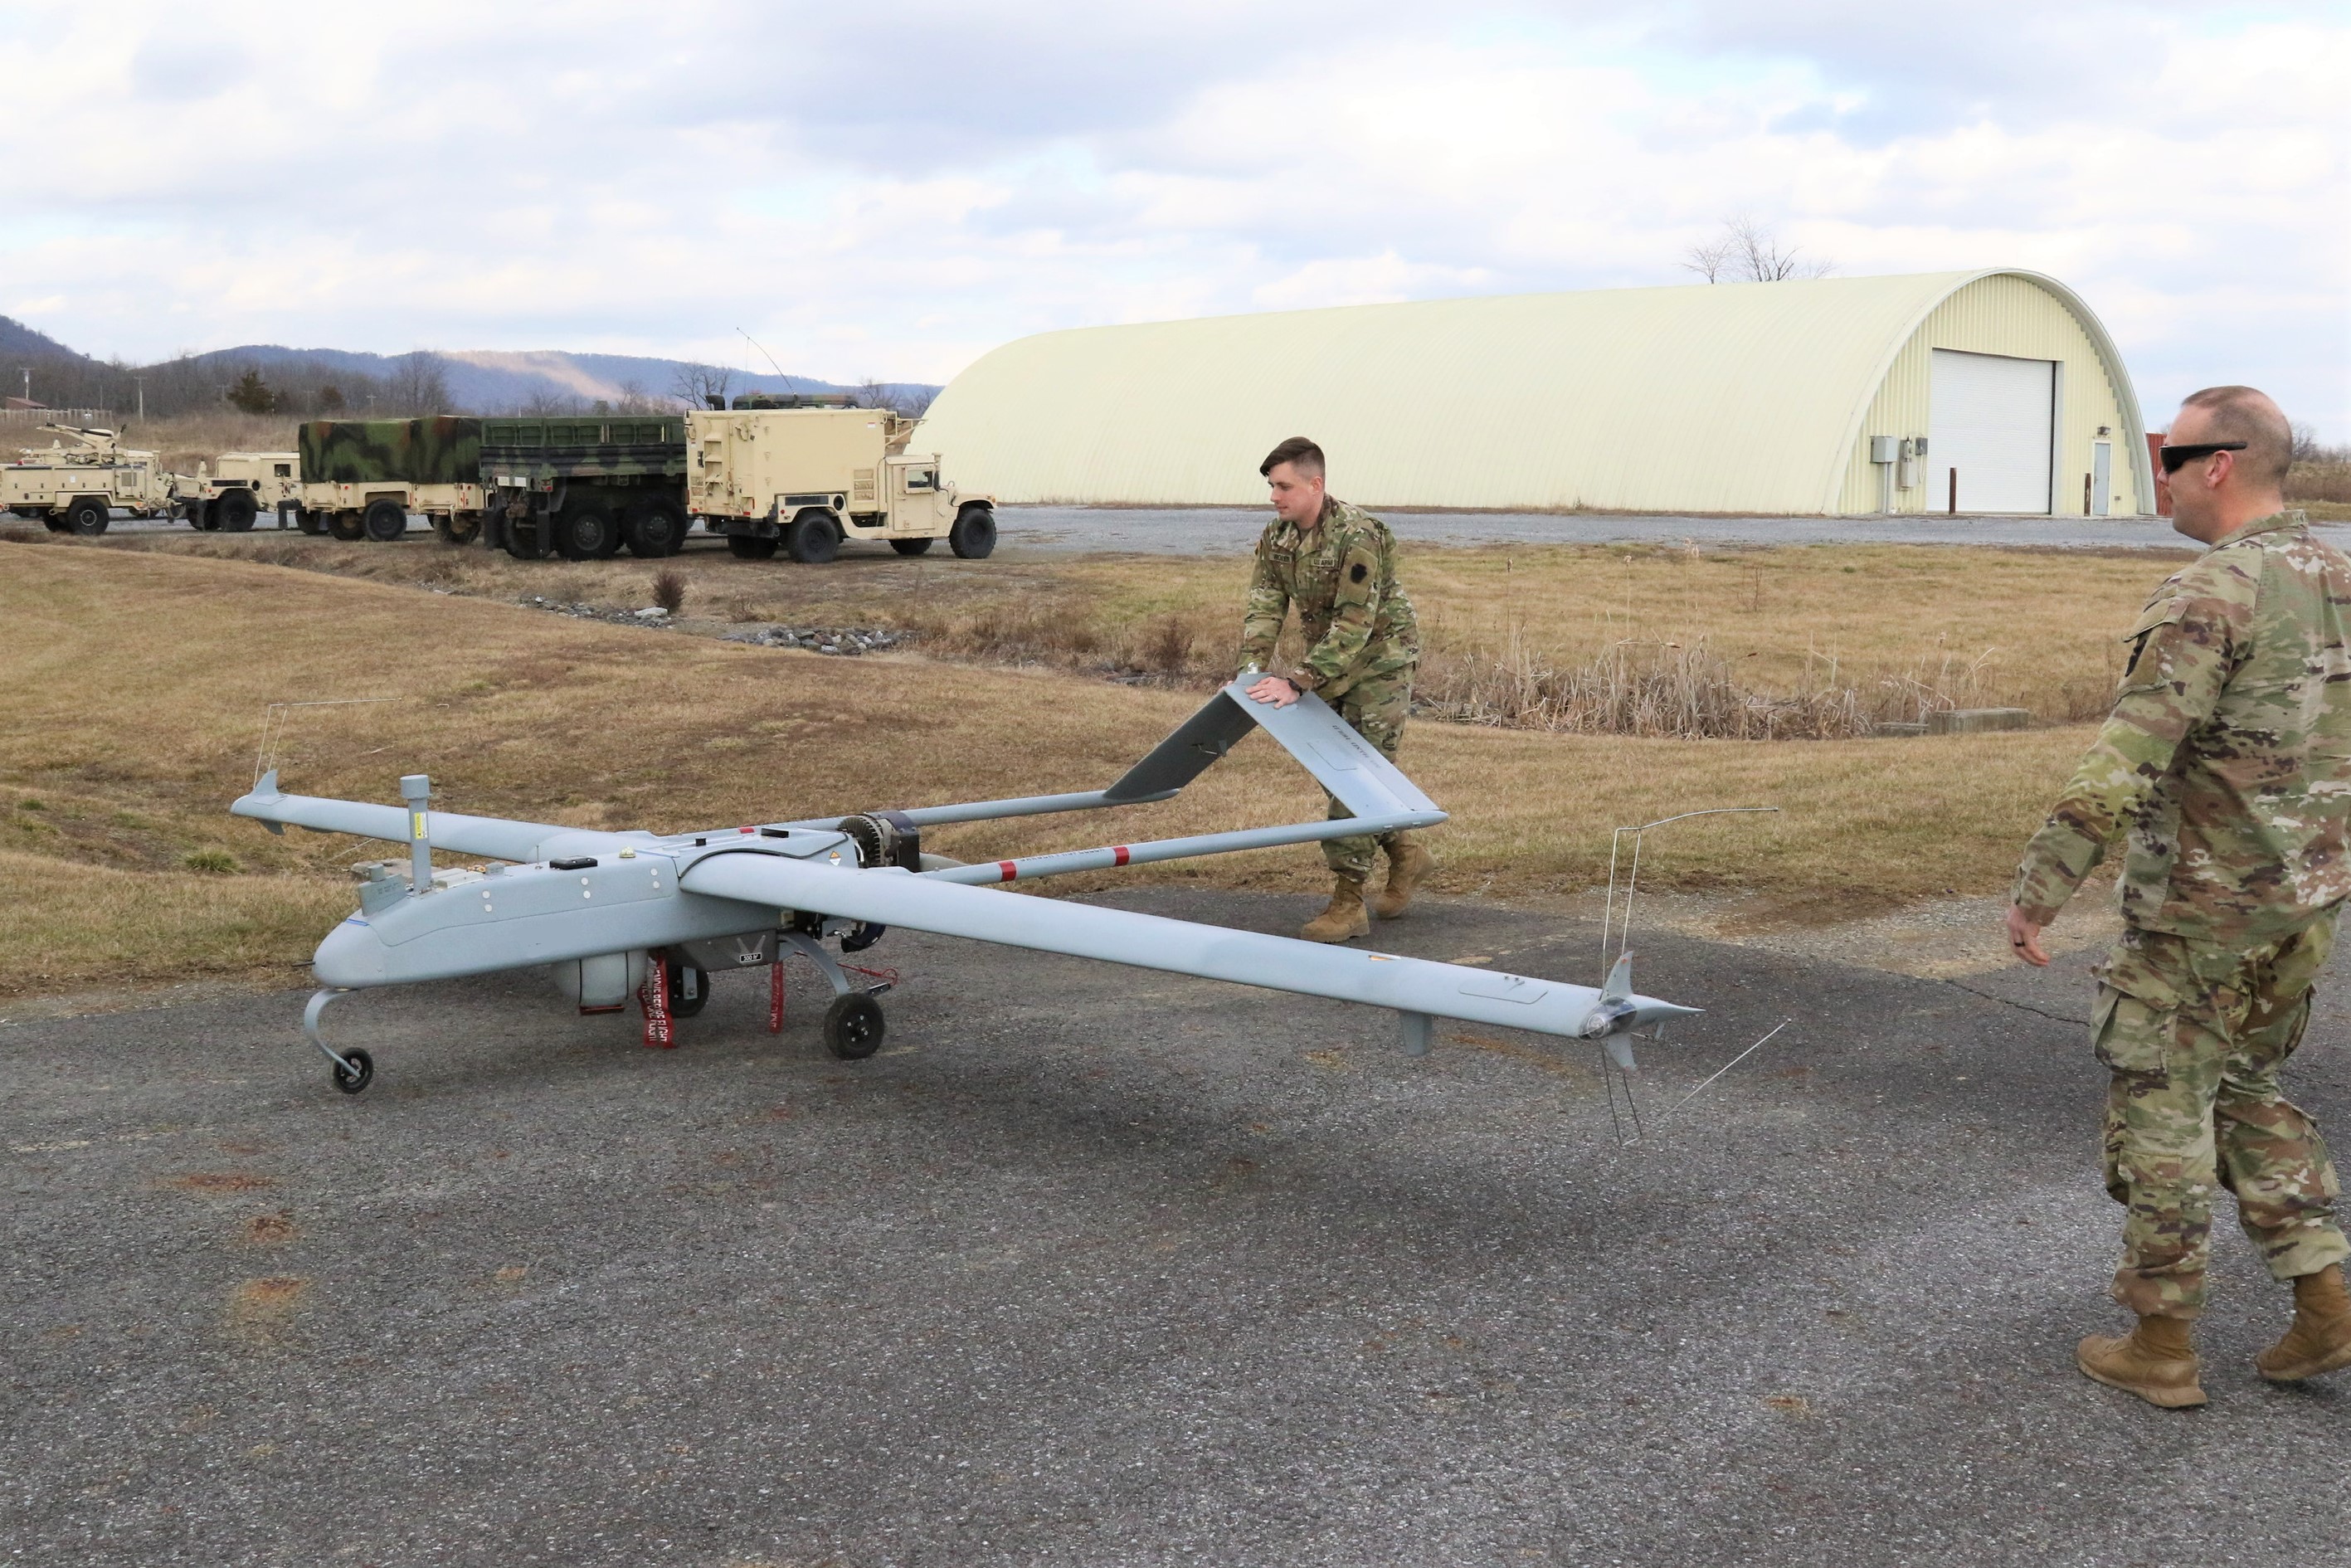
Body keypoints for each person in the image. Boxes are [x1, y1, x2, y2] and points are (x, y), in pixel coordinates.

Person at [2008, 385, 2351, 1408]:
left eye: (2167, 454)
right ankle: (2324, 1302)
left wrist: (2039, 890)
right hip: (2303, 905)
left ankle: (2161, 1343)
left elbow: (2127, 756)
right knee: (2244, 1087)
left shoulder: (2214, 591)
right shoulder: (2339, 574)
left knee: (2162, 1099)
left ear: (2218, 463)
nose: (2154, 472)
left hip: (2199, 913)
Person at [1239, 436, 1434, 942]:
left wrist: (1299, 680)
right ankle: (1405, 852)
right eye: (1271, 486)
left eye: (1283, 486)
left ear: (1315, 484)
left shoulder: (1358, 535)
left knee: (1355, 771)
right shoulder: (1277, 537)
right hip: (1330, 661)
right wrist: (1252, 671)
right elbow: (1265, 604)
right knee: (1334, 768)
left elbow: (1355, 624)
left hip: (1380, 660)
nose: (1274, 496)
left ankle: (1348, 903)